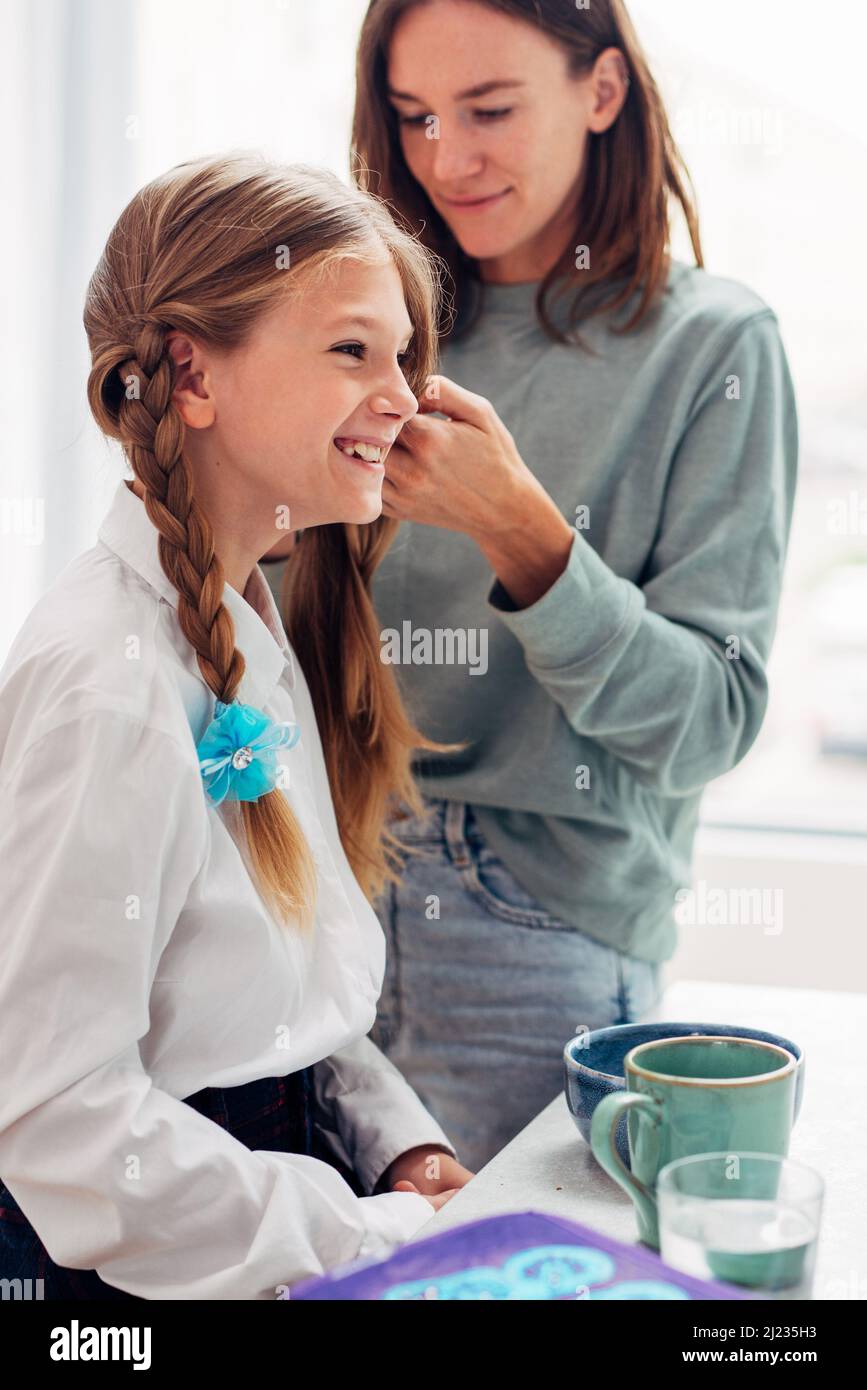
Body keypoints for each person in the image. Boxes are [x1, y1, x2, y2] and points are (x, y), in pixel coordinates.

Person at [261, 0, 800, 1174]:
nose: (447, 158)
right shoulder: (370, 325)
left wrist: (523, 530)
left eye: (490, 109)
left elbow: (707, 722)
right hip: (313, 882)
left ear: (602, 91)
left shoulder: (712, 348)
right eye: (413, 117)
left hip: (533, 927)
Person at [0, 153, 475, 1302]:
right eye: (355, 350)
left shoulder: (241, 630)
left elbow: (264, 1010)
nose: (405, 397)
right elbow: (63, 1119)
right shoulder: (106, 690)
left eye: (405, 355)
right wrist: (368, 1235)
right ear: (191, 374)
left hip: (253, 1215)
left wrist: (397, 1148)